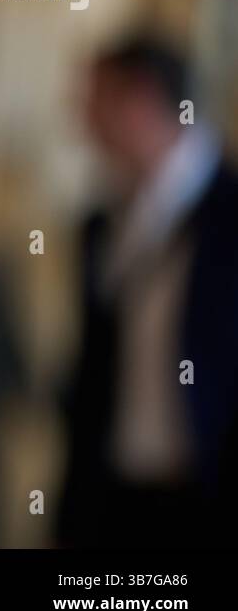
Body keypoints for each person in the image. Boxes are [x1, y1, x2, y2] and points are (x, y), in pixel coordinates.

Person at [58, 34, 238, 547]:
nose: (83, 123)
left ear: (141, 101)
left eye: (94, 102)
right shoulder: (98, 224)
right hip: (116, 501)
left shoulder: (229, 213)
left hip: (207, 504)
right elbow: (93, 380)